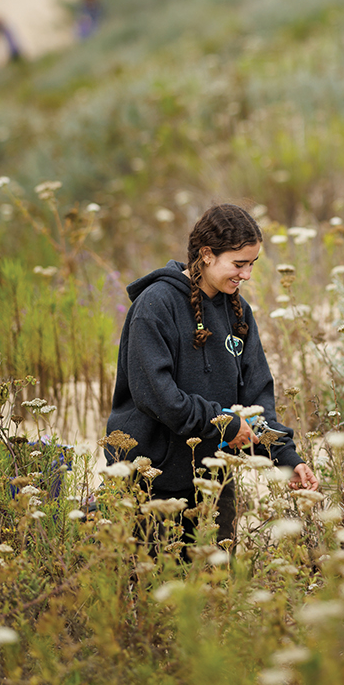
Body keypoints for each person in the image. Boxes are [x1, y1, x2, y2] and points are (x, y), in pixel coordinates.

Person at [106, 203, 319, 542]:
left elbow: (255, 399)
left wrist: (284, 455)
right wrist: (226, 424)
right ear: (206, 254)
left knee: (217, 574)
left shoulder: (238, 312)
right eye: (239, 264)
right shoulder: (155, 306)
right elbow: (158, 397)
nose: (247, 275)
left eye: (252, 264)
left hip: (215, 481)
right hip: (150, 482)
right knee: (155, 575)